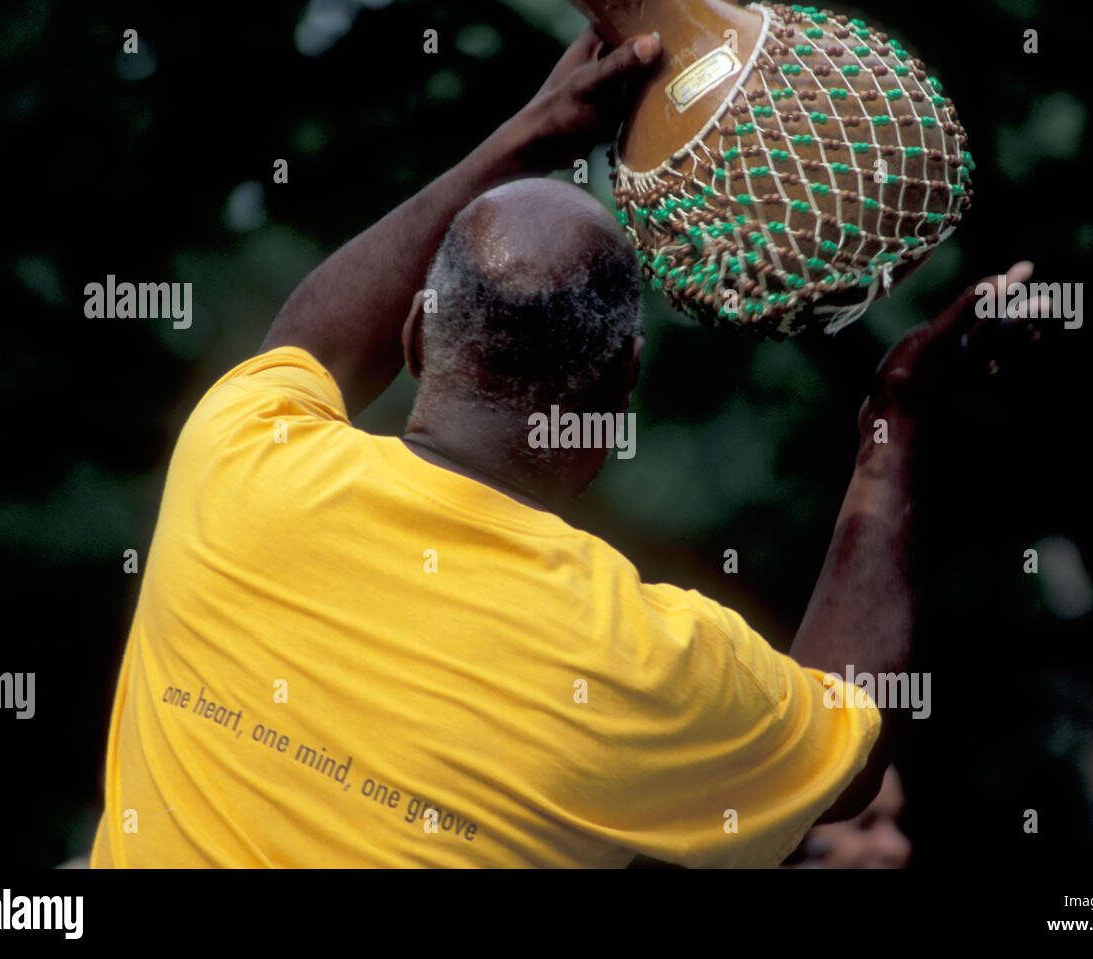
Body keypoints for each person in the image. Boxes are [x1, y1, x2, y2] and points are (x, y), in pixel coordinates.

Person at [90, 26, 1039, 868]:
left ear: (421, 339)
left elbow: (316, 343)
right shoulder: (641, 662)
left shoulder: (242, 464)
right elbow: (848, 744)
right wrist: (895, 427)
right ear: (621, 393)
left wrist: (528, 135)